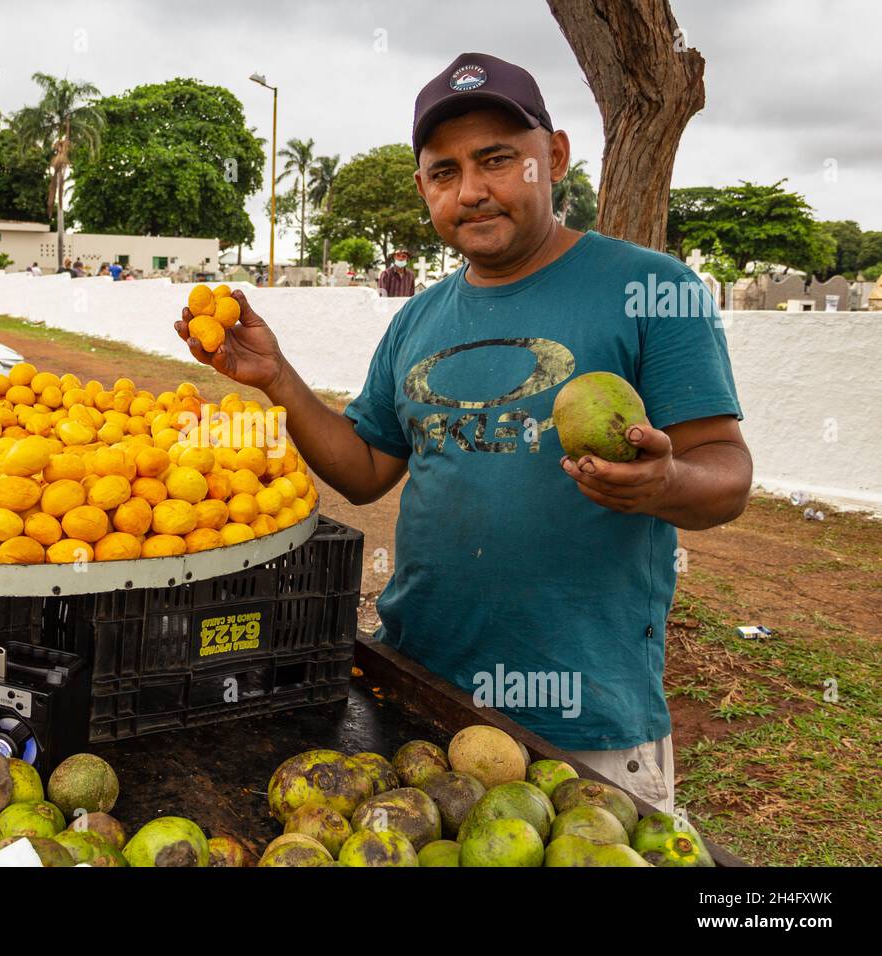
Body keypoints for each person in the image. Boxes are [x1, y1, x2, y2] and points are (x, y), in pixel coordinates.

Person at [175, 52, 750, 813]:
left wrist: (667, 483)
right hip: (422, 690)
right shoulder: (418, 318)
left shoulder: (650, 289)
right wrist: (276, 378)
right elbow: (367, 468)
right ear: (423, 189)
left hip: (584, 716)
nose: (472, 191)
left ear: (555, 157)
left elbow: (728, 477)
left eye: (498, 160)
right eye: (444, 172)